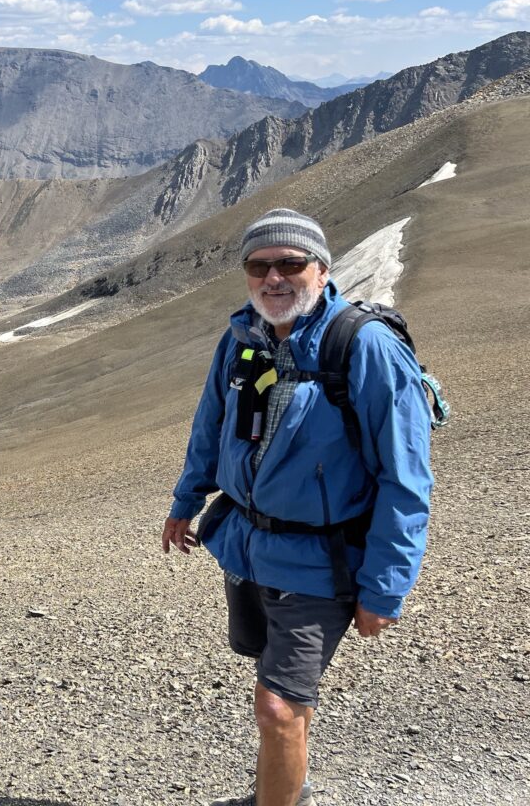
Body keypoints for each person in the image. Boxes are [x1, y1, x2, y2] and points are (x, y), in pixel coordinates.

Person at [160, 208, 433, 806]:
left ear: (323, 268)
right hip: (249, 548)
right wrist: (187, 499)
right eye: (259, 265)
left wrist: (384, 588)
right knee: (280, 695)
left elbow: (406, 480)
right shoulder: (243, 341)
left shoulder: (364, 348)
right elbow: (211, 426)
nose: (273, 278)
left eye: (291, 263)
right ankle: (286, 792)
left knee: (277, 706)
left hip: (323, 562)